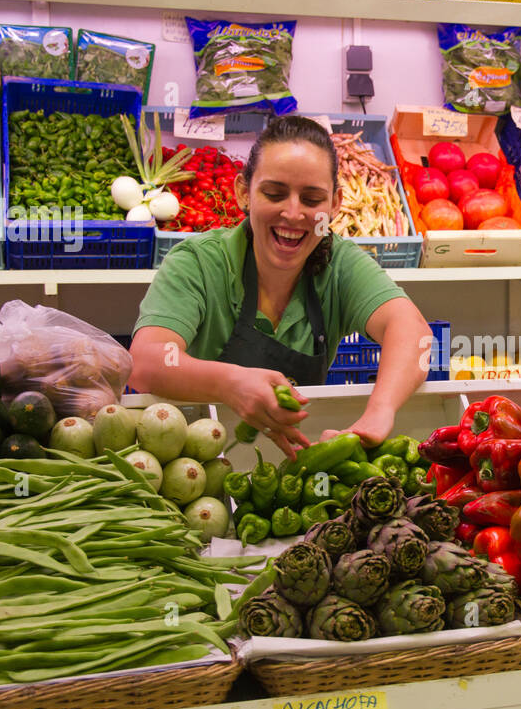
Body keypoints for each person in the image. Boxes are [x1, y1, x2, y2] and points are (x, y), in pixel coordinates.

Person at [130, 115, 432, 456]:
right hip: (190, 458)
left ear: (335, 204)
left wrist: (379, 412)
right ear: (244, 193)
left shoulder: (339, 264)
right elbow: (148, 361)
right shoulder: (198, 262)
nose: (292, 213)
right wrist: (228, 383)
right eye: (274, 193)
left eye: (312, 199)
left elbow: (414, 333)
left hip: (288, 463)